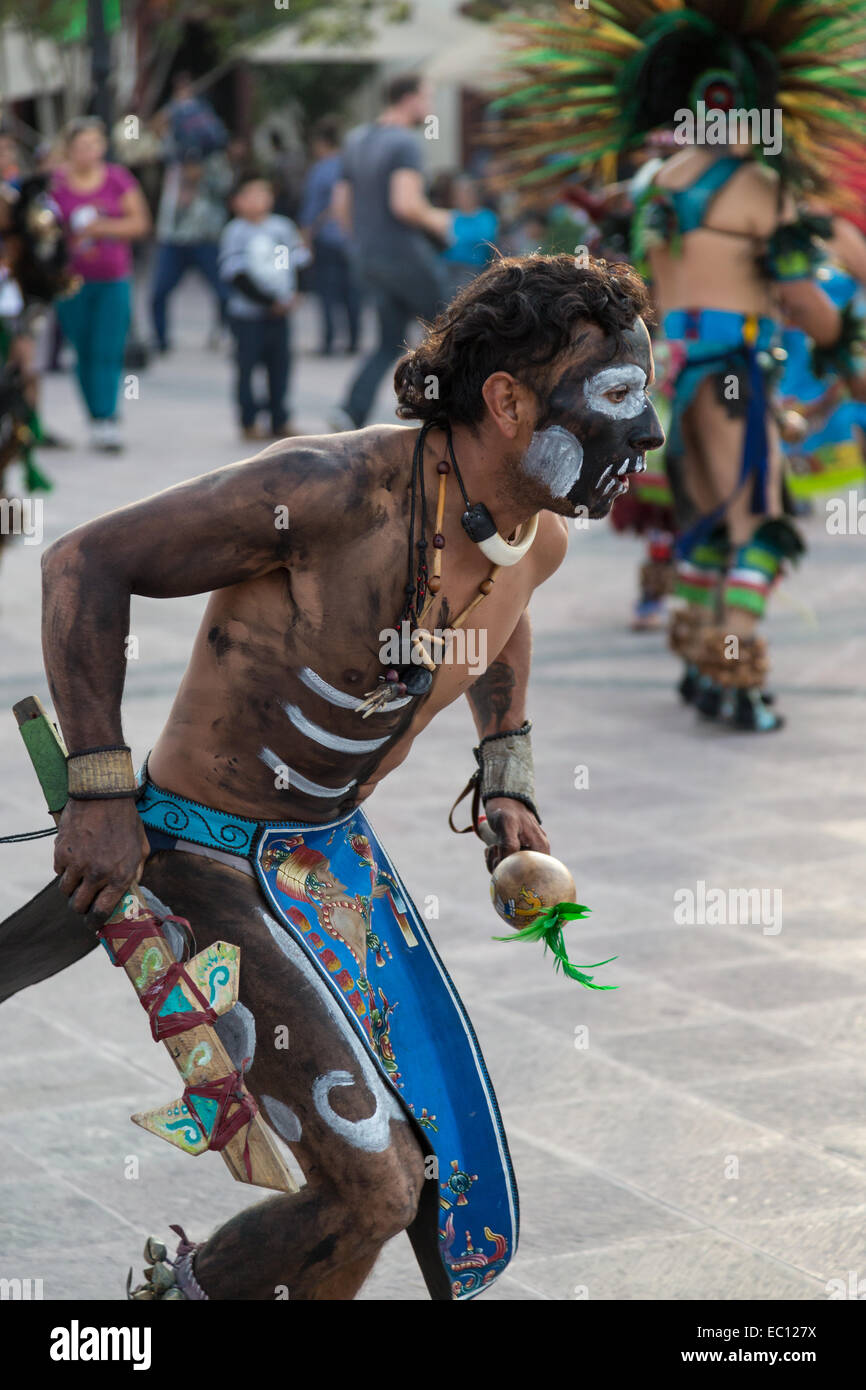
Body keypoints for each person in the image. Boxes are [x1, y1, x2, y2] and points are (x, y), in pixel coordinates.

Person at [1, 254, 664, 1300]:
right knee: (372, 1187)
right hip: (195, 851)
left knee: (432, 1181)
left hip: (326, 861)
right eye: (616, 399)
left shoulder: (530, 538)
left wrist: (506, 772)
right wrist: (96, 789)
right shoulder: (328, 490)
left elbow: (503, 623)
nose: (648, 432)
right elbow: (82, 560)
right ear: (504, 400)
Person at [497, 0, 866, 732]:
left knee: (703, 521)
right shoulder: (762, 190)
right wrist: (845, 353)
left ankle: (702, 658)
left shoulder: (655, 186)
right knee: (757, 524)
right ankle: (738, 671)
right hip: (739, 377)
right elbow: (805, 297)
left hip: (671, 376)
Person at [330, 73, 453, 430]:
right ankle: (442, 413)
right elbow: (406, 205)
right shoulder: (404, 144)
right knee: (450, 332)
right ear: (409, 98)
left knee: (387, 342)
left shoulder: (356, 139)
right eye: (426, 99)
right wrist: (443, 221)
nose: (428, 109)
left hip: (368, 258)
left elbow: (341, 205)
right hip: (406, 257)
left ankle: (350, 412)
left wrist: (362, 245)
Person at [50, 118, 150, 452]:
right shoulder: (56, 183)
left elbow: (139, 223)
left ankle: (107, 418)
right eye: (81, 146)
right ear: (69, 149)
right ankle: (94, 414)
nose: (88, 152)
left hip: (113, 278)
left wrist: (101, 227)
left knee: (108, 347)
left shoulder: (118, 180)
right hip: (71, 281)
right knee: (83, 349)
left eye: (94, 144)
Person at [219, 171, 307, 441]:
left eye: (264, 193)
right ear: (237, 201)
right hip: (247, 316)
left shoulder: (282, 227)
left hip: (279, 314)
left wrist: (294, 294)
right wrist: (269, 302)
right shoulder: (235, 232)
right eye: (251, 194)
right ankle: (248, 421)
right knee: (247, 367)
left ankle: (279, 418)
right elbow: (236, 275)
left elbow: (300, 261)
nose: (259, 200)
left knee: (280, 366)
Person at [150, 152, 231, 353]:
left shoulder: (215, 164)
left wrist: (202, 176)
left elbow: (227, 187)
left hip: (206, 238)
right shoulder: (172, 161)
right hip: (173, 238)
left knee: (224, 292)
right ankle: (160, 340)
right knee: (159, 292)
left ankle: (224, 334)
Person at [299, 117, 360, 356]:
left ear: (321, 143)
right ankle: (354, 340)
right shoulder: (352, 166)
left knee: (326, 294)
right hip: (353, 239)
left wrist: (306, 239)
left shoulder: (320, 170)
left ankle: (328, 341)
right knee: (352, 292)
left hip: (327, 239)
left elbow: (311, 209)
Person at [440, 174, 498, 297]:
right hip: (448, 267)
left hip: (473, 269)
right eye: (459, 193)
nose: (463, 197)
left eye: (466, 193)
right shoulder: (451, 215)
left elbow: (485, 238)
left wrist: (456, 238)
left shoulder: (486, 216)